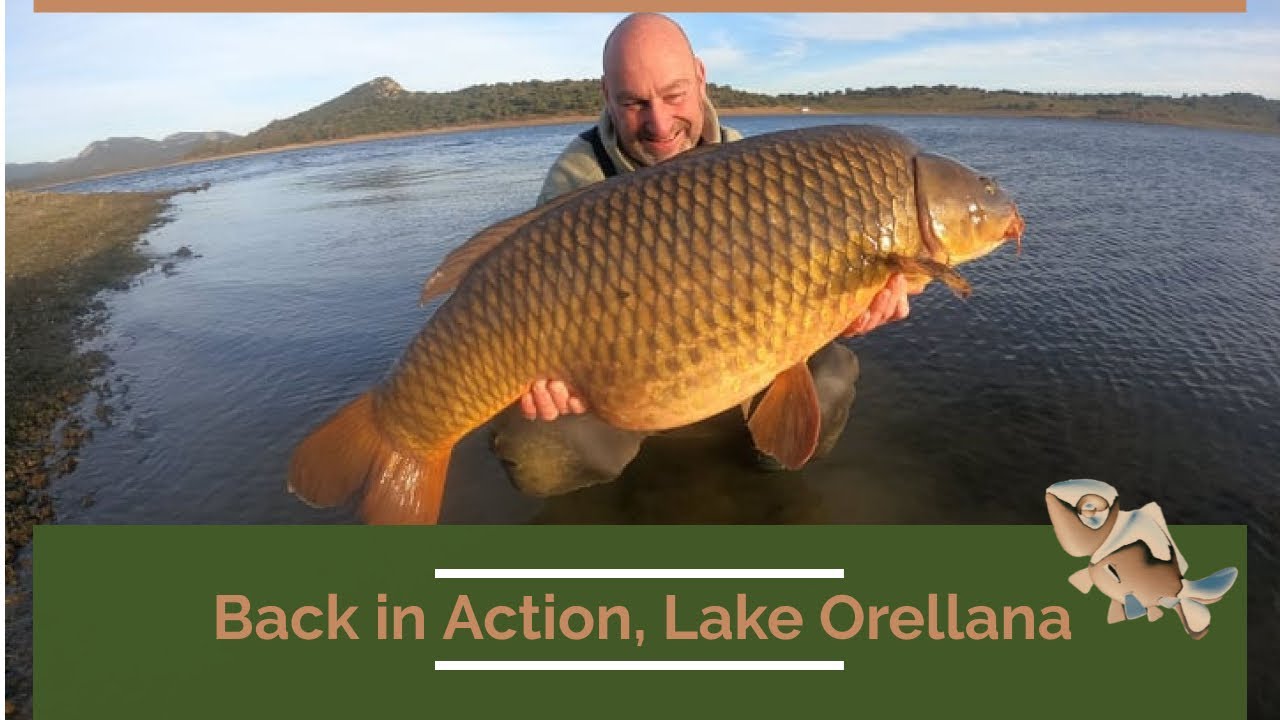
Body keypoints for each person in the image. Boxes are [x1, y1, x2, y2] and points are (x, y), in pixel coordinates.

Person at [491, 12, 914, 497]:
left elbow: (794, 288)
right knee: (536, 451)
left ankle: (756, 481)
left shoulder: (751, 164)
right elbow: (527, 316)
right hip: (620, 381)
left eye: (674, 95)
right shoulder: (577, 181)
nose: (659, 123)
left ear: (700, 77)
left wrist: (849, 309)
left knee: (830, 379)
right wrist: (553, 384)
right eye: (634, 103)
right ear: (607, 96)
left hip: (730, 357)